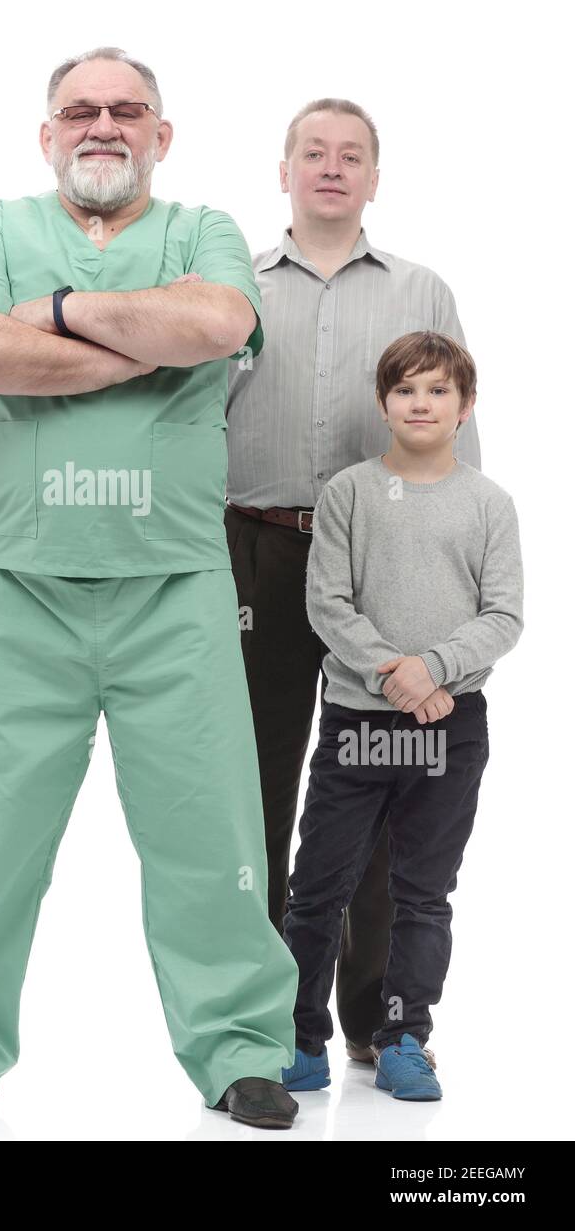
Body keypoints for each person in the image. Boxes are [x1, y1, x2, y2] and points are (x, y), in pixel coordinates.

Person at [0, 46, 301, 1132]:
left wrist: (59, 311)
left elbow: (215, 325)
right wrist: (140, 341)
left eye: (128, 110)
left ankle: (241, 1049)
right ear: (47, 135)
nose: (103, 125)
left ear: (160, 136)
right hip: (26, 585)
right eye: (80, 110)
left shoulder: (204, 230)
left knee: (211, 834)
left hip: (176, 587)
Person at [224, 98, 482, 1066]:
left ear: (374, 178)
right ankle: (266, 1012)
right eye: (313, 153)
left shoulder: (421, 290)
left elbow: (460, 447)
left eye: (352, 156)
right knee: (255, 784)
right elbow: (192, 421)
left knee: (377, 784)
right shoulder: (230, 288)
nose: (331, 168)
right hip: (254, 548)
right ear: (283, 169)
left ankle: (374, 1010)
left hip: (386, 564)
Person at [280, 331, 522, 1100]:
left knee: (422, 891)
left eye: (438, 391)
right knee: (318, 885)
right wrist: (396, 674)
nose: (421, 403)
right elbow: (327, 602)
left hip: (451, 726)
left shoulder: (488, 503)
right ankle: (299, 1036)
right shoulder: (349, 493)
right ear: (383, 403)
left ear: (465, 406)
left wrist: (435, 671)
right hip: (357, 722)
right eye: (406, 390)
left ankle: (402, 1036)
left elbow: (503, 615)